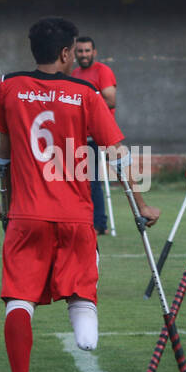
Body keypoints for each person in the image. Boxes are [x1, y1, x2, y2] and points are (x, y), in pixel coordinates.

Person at [0, 17, 160, 372]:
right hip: (76, 216)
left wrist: (5, 200)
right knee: (81, 285)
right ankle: (85, 329)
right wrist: (141, 203)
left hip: (26, 215)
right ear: (67, 54)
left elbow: (3, 155)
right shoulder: (85, 92)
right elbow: (118, 153)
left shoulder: (8, 86)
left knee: (19, 298)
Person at [71, 36, 118, 235]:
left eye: (87, 51)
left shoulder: (103, 71)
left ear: (94, 52)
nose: (83, 55)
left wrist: (84, 102)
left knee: (92, 179)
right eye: (80, 51)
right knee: (78, 180)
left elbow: (110, 100)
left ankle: (99, 224)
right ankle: (82, 220)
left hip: (98, 134)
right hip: (79, 134)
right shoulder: (75, 73)